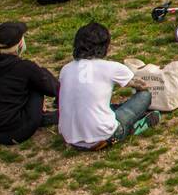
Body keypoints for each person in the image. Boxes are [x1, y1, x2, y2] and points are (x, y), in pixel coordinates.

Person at [57, 21, 159, 151]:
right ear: (105, 46)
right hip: (105, 136)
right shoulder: (110, 67)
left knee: (87, 105)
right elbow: (142, 86)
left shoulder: (65, 69)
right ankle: (132, 127)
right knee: (145, 96)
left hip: (71, 139)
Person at [0, 22, 60, 144]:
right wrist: (42, 72)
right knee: (37, 81)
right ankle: (44, 116)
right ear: (20, 43)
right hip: (13, 133)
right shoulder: (24, 67)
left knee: (23, 83)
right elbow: (53, 89)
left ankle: (38, 114)